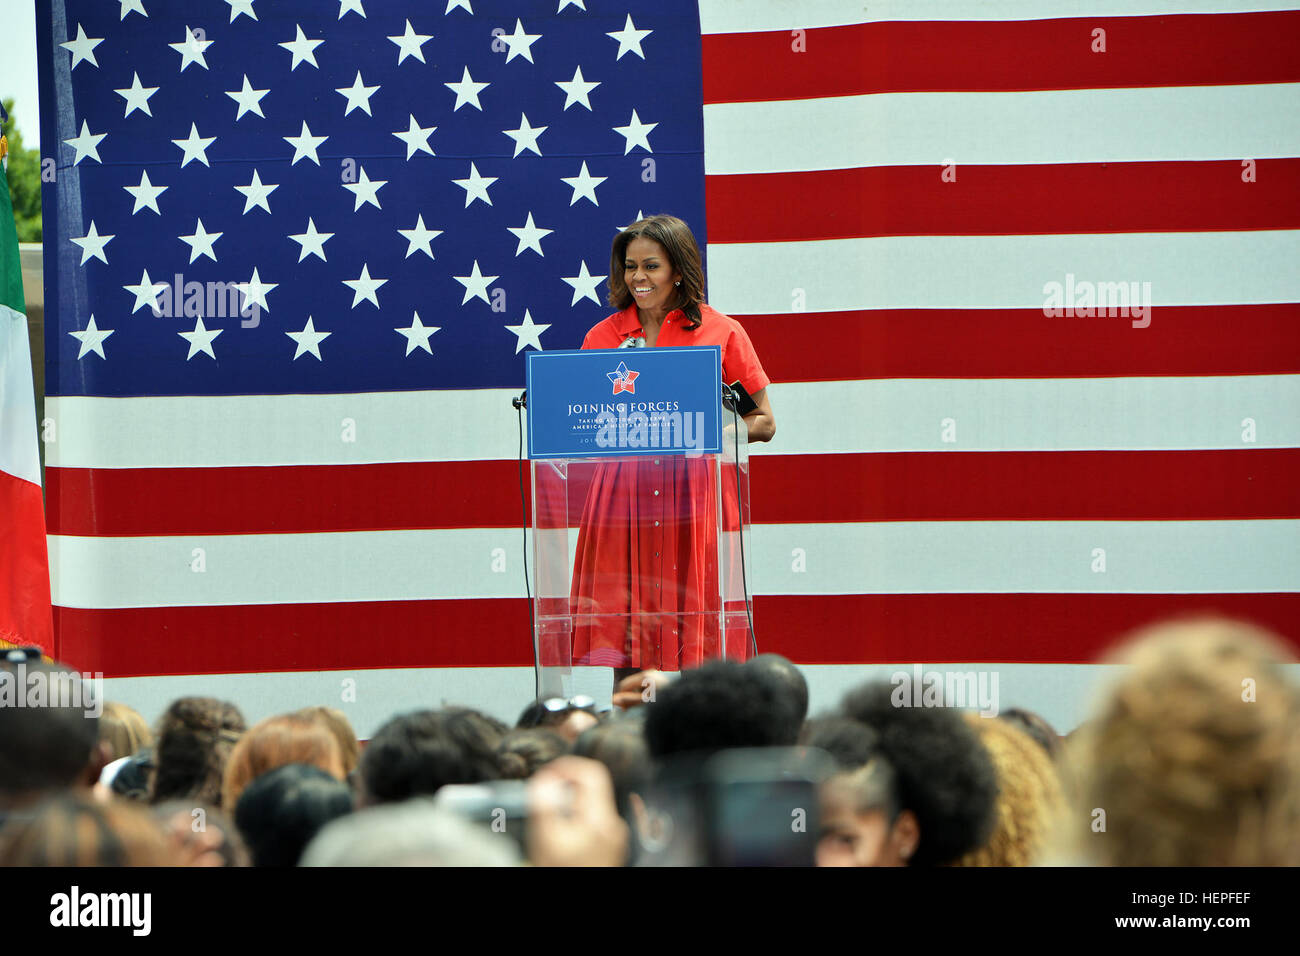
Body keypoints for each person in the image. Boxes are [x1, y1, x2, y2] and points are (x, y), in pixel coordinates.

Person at [570, 214, 775, 679]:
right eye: (629, 267)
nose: (638, 278)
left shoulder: (722, 333)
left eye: (651, 266)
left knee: (692, 634)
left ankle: (693, 735)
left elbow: (762, 422)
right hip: (620, 499)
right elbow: (580, 423)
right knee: (628, 635)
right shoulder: (602, 337)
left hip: (693, 494)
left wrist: (702, 435)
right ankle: (627, 742)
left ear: (678, 270)